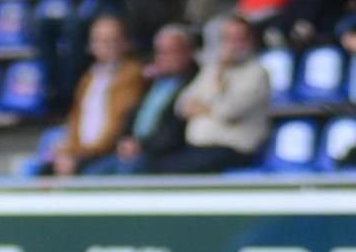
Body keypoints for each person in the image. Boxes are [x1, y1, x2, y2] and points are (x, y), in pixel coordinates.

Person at [149, 15, 270, 173]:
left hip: (234, 149)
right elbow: (182, 105)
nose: (233, 45)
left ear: (251, 40)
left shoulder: (257, 73)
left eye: (239, 38)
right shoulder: (212, 69)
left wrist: (215, 90)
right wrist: (211, 106)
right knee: (154, 163)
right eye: (228, 39)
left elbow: (228, 111)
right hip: (199, 149)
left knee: (170, 170)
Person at [89, 23, 196, 175]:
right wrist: (124, 140)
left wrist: (142, 146)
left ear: (188, 52)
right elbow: (130, 116)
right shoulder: (153, 83)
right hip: (131, 149)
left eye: (171, 52)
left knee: (128, 170)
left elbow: (174, 131)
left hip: (159, 155)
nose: (163, 58)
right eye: (160, 52)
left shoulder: (194, 84)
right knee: (91, 173)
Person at [46, 15, 145, 176]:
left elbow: (117, 124)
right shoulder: (89, 78)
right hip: (81, 154)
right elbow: (76, 118)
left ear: (125, 43)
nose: (105, 46)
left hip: (106, 154)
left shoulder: (131, 75)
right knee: (43, 170)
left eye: (111, 40)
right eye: (99, 40)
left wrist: (80, 155)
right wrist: (69, 152)